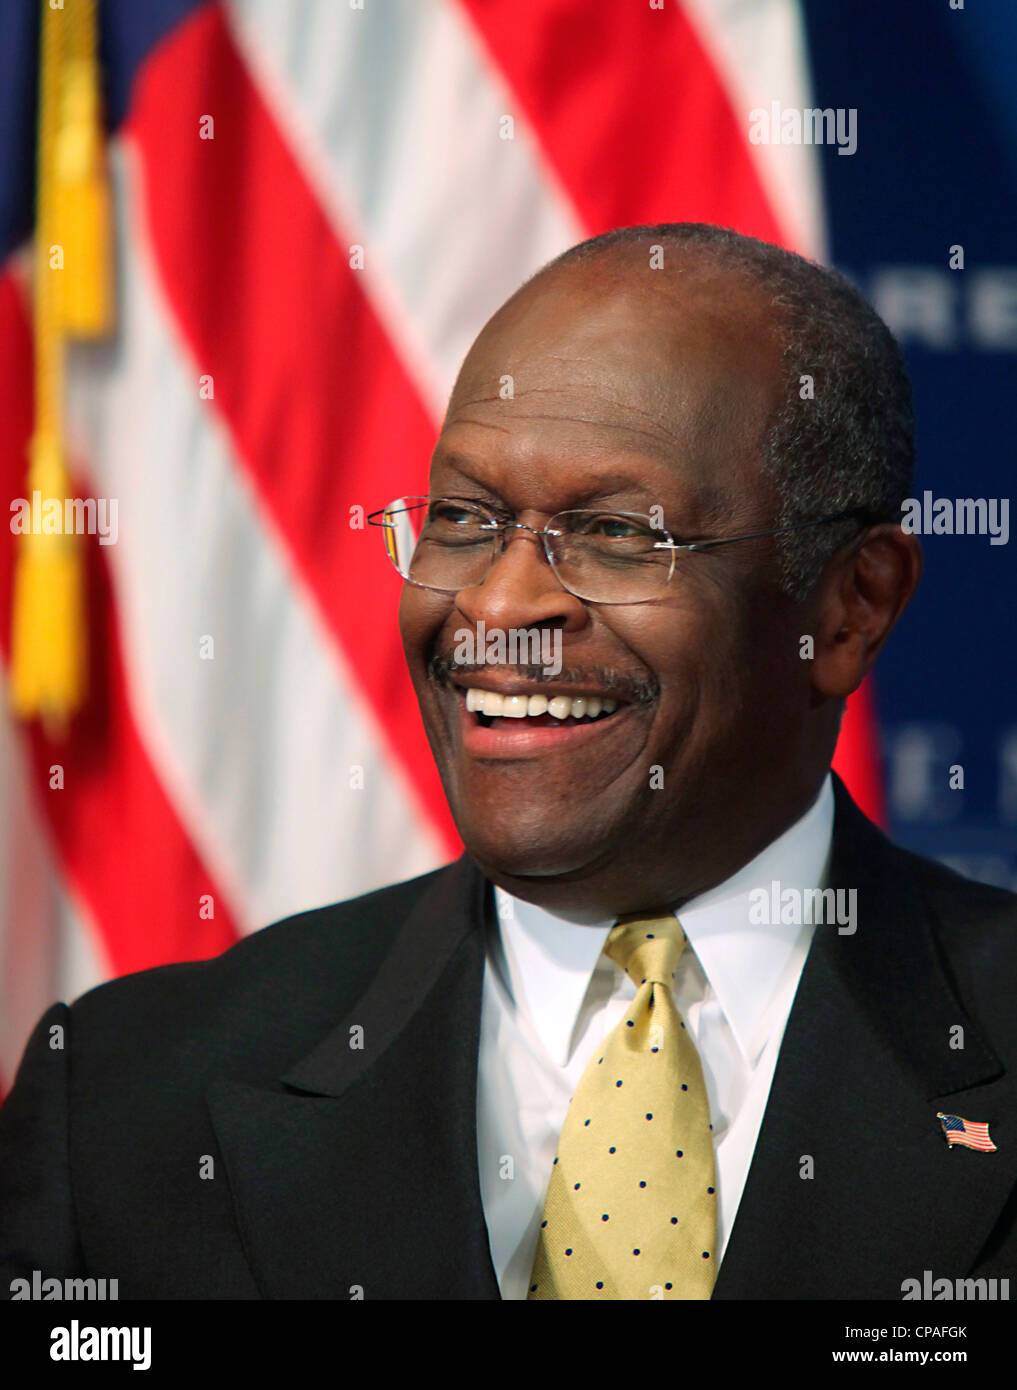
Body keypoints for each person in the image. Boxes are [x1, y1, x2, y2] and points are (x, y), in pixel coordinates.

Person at [2, 223, 1015, 1301]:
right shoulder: (125, 1098)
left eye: (620, 535)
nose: (496, 606)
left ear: (851, 606)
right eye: (461, 518)